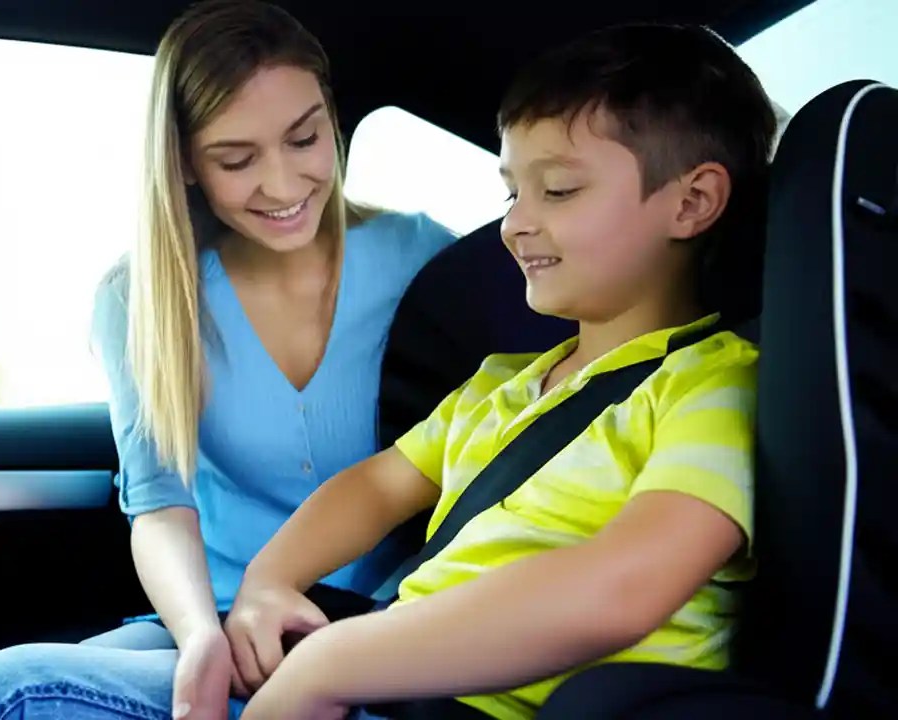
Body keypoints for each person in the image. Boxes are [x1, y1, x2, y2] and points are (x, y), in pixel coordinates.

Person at [226, 22, 777, 720]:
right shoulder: (500, 383)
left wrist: (328, 667)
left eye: (559, 191)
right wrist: (270, 579)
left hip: (489, 705)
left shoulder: (714, 386)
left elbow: (625, 589)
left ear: (692, 202)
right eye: (512, 193)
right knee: (43, 676)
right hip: (387, 677)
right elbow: (374, 487)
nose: (514, 224)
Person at [0, 1, 456, 718]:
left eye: (304, 140)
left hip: (384, 629)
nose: (282, 186)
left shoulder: (427, 259)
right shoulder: (144, 298)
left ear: (331, 121)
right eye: (237, 160)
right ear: (184, 162)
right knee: (8, 696)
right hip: (211, 623)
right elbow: (159, 505)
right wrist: (200, 641)